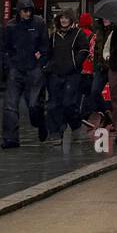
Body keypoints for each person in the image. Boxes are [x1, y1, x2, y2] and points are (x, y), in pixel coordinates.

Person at [1, 0, 50, 149]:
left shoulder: (39, 23)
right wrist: (9, 65)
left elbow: (45, 46)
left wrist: (41, 62)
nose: (27, 14)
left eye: (29, 11)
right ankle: (11, 138)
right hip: (17, 68)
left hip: (33, 68)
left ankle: (40, 122)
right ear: (19, 11)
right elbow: (5, 48)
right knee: (10, 105)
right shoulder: (11, 27)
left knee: (34, 105)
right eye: (24, 11)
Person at [45, 9, 89, 143]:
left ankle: (76, 125)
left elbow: (84, 50)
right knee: (53, 104)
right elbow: (48, 53)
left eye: (66, 18)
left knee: (69, 103)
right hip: (55, 74)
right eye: (61, 18)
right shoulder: (53, 36)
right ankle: (55, 132)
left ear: (71, 20)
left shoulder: (78, 34)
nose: (63, 20)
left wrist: (75, 64)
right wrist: (48, 67)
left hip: (72, 74)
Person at [82, 18, 113, 132]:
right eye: (104, 17)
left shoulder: (114, 31)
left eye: (107, 18)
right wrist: (95, 66)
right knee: (94, 91)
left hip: (112, 67)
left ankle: (115, 121)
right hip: (100, 67)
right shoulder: (99, 31)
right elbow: (96, 50)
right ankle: (106, 113)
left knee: (116, 95)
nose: (105, 20)